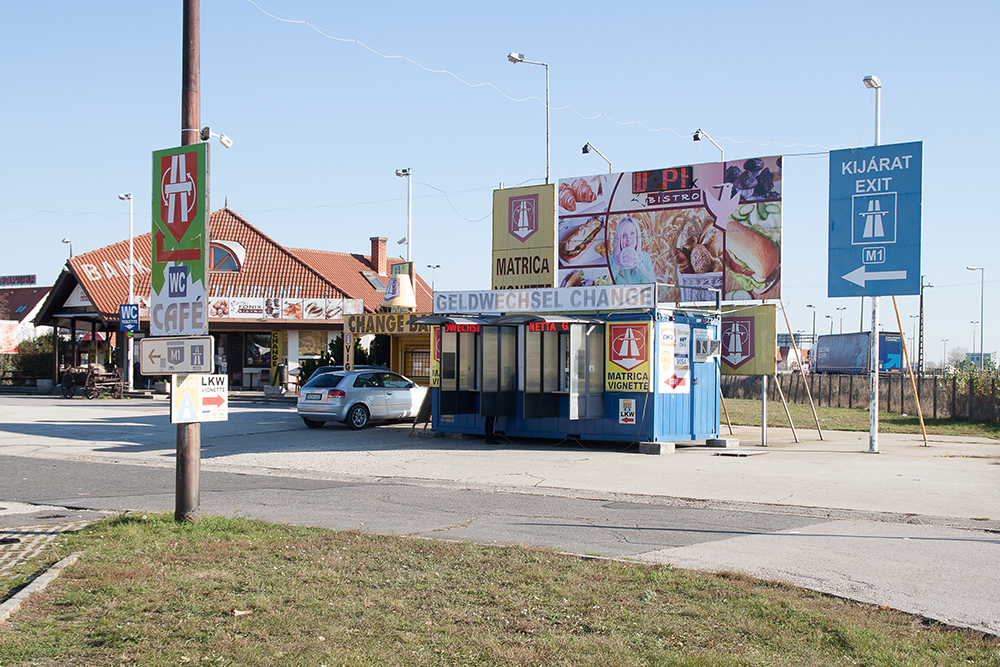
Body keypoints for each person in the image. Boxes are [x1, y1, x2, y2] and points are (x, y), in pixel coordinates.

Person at [609, 216, 656, 284]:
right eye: (624, 235)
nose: (628, 239)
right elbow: (604, 285)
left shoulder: (645, 258)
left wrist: (639, 265)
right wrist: (616, 264)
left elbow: (652, 286)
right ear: (619, 238)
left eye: (632, 233)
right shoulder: (611, 260)